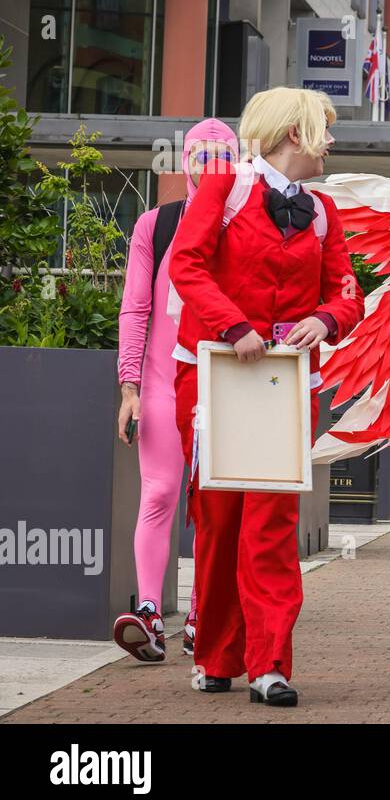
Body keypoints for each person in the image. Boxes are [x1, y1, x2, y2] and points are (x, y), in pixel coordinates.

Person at [169, 87, 364, 706]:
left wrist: (326, 321)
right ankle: (217, 657)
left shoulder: (324, 209)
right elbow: (187, 264)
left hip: (284, 385)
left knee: (272, 524)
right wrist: (234, 327)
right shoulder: (224, 186)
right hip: (214, 378)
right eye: (323, 130)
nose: (331, 142)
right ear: (292, 134)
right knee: (219, 521)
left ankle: (270, 664)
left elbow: (349, 293)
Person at [113, 118, 239, 662]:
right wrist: (129, 387)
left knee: (213, 503)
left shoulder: (243, 225)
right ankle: (147, 611)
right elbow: (136, 307)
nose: (208, 165)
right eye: (199, 154)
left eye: (221, 154)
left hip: (226, 381)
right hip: (164, 381)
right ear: (184, 160)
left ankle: (201, 614)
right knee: (161, 492)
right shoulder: (156, 225)